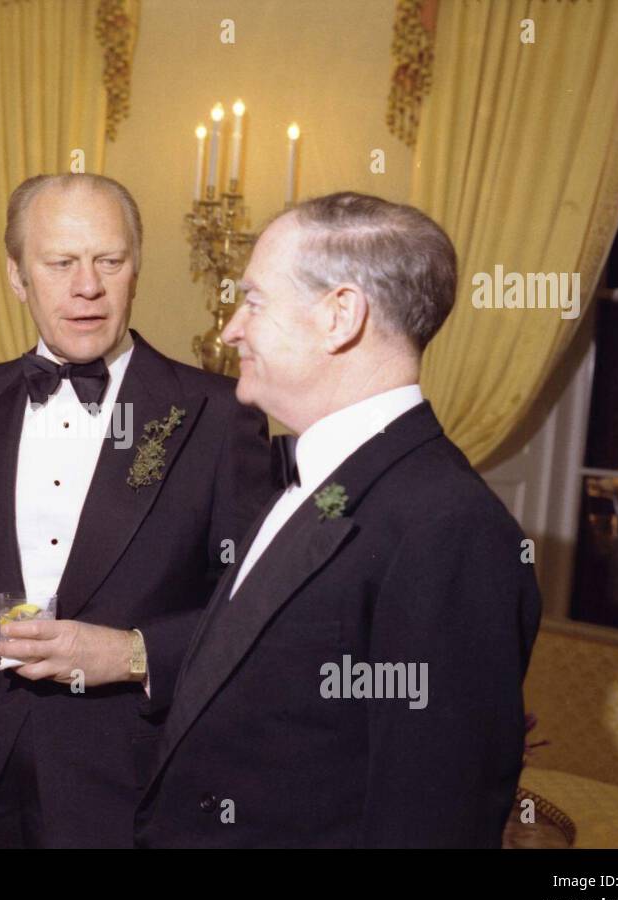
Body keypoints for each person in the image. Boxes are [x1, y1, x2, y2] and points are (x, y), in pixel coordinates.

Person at [135, 192, 541, 847]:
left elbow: (431, 826)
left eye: (255, 301)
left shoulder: (450, 528)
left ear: (341, 315)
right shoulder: (319, 474)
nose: (231, 327)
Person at [0, 172, 273, 847]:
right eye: (60, 262)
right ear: (17, 276)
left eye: (109, 260)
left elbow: (256, 610)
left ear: (135, 268)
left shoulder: (215, 414)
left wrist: (132, 654)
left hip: (129, 795)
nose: (86, 285)